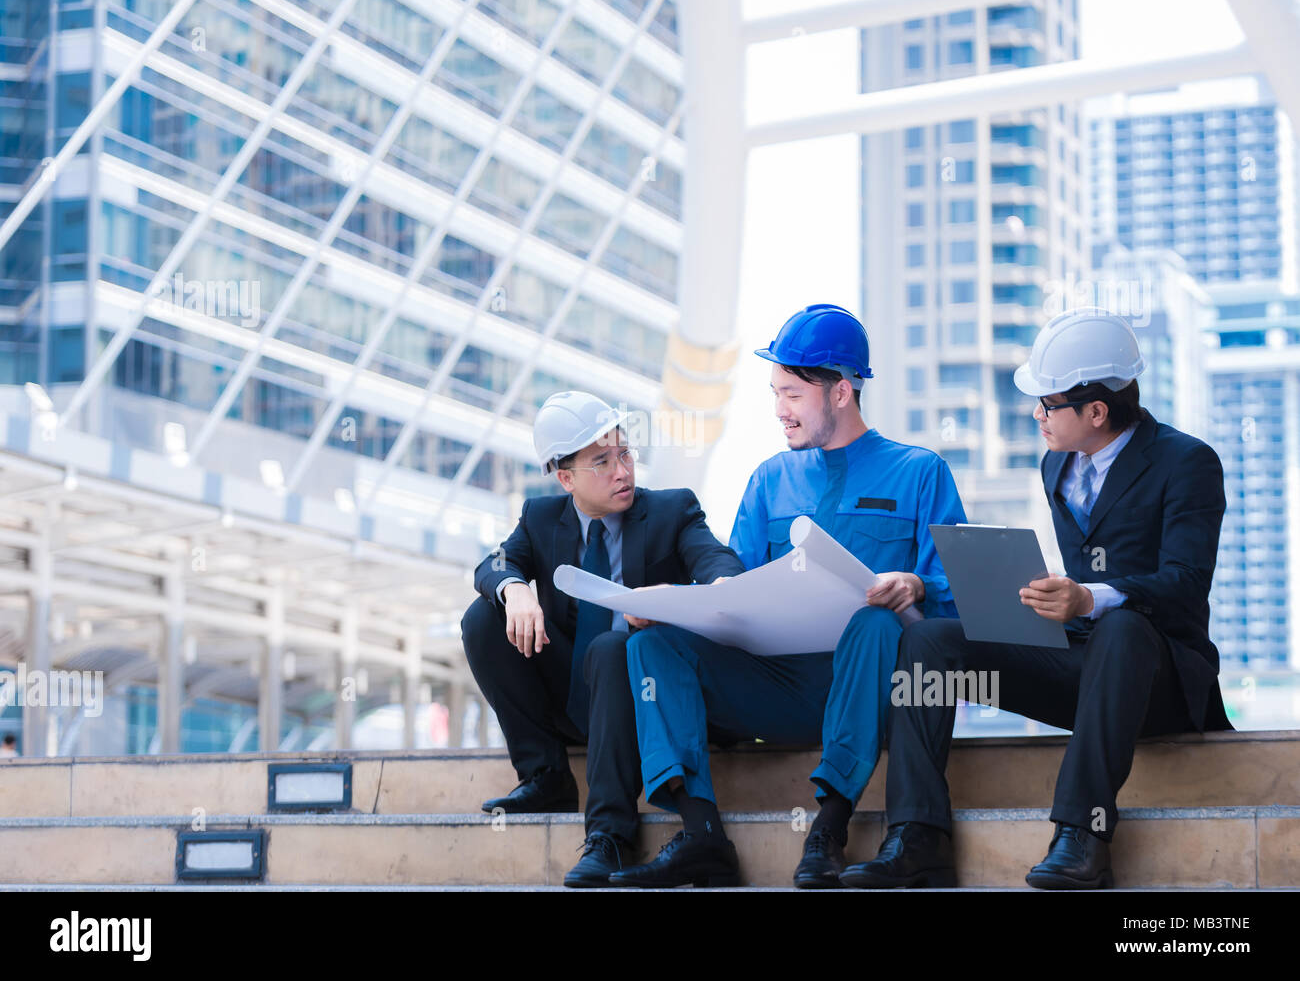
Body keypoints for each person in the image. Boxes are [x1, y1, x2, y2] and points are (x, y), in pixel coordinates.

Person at [843, 307, 1233, 891]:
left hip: (1160, 682)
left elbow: (1184, 584)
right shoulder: (1055, 464)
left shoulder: (1187, 463)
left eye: (1048, 404)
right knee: (927, 640)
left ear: (1096, 411)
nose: (1036, 415)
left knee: (1124, 627)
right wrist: (1040, 598)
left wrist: (1090, 598)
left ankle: (1081, 836)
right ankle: (918, 837)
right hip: (1082, 667)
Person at [608, 304, 967, 889]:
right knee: (652, 646)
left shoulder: (920, 472)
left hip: (874, 690)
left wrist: (917, 585)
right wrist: (678, 605)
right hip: (775, 687)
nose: (780, 410)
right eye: (776, 393)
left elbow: (958, 609)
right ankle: (701, 836)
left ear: (843, 392)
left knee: (875, 624)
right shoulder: (769, 479)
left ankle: (828, 827)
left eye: (794, 395)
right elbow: (736, 591)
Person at [463, 391, 743, 887]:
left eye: (625, 453)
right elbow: (495, 564)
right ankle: (546, 777)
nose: (623, 470)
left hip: (644, 704)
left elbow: (717, 562)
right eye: (602, 461)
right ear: (565, 477)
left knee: (614, 647)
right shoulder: (541, 518)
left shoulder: (671, 510)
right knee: (482, 620)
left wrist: (689, 594)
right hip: (574, 695)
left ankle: (611, 836)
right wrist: (515, 592)